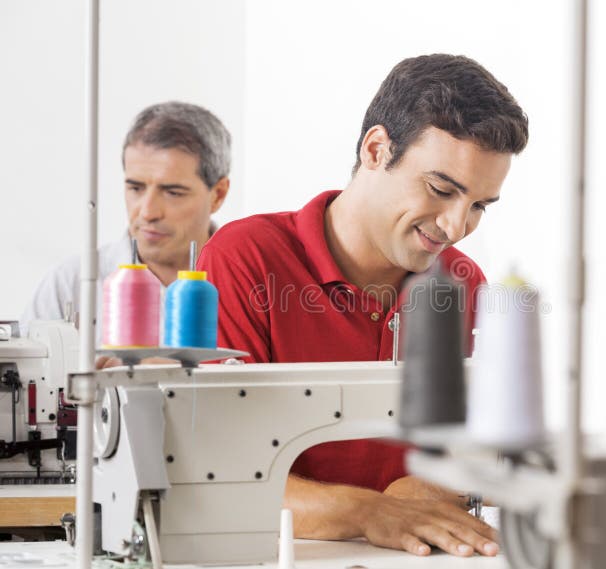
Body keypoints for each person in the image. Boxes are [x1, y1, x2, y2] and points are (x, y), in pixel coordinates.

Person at [197, 54, 528, 557]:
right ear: (376, 149)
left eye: (479, 205)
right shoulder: (247, 260)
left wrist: (430, 491)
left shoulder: (462, 284)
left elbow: (466, 460)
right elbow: (222, 472)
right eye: (441, 189)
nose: (457, 227)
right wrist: (374, 511)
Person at [20, 101, 231, 343]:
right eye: (135, 188)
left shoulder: (250, 286)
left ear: (218, 194)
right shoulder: (72, 283)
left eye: (173, 192)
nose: (148, 212)